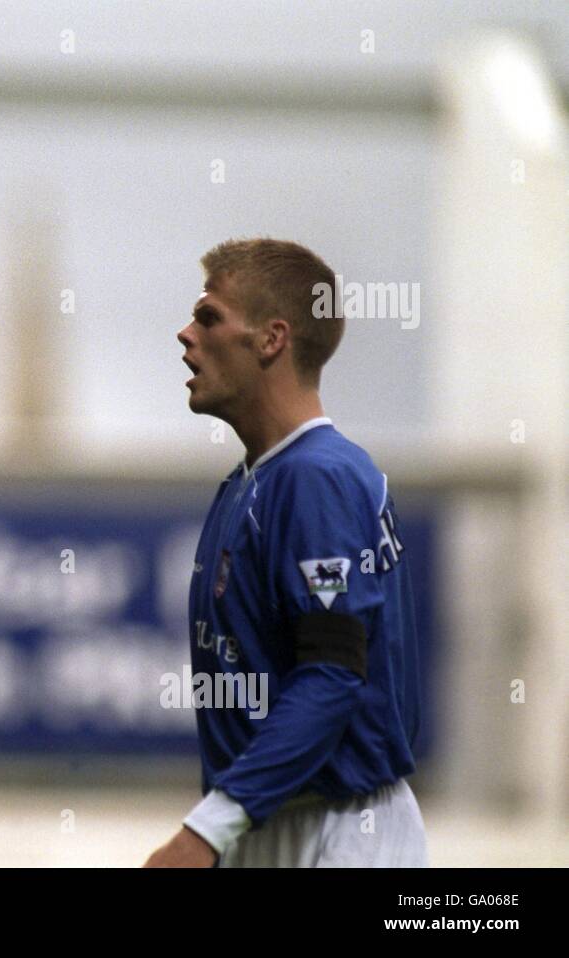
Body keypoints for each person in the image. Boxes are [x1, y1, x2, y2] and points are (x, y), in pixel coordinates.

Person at [144, 238, 426, 867]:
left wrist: (202, 832)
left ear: (271, 340)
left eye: (209, 317)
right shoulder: (250, 482)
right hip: (264, 826)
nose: (185, 335)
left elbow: (330, 675)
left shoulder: (315, 477)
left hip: (338, 832)